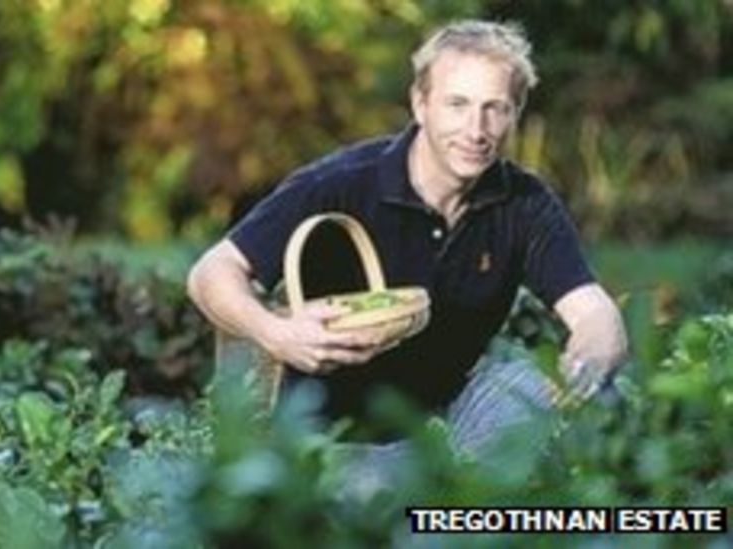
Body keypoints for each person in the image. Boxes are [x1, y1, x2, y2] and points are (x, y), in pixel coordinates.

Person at [186, 20, 628, 452]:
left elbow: (595, 314)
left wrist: (583, 370)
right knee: (392, 496)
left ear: (515, 113)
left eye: (495, 108)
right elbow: (213, 272)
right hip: (340, 436)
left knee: (601, 394)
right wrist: (277, 333)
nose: (476, 130)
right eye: (457, 104)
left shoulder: (524, 201)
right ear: (420, 104)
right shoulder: (340, 184)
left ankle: (476, 497)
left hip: (455, 414)